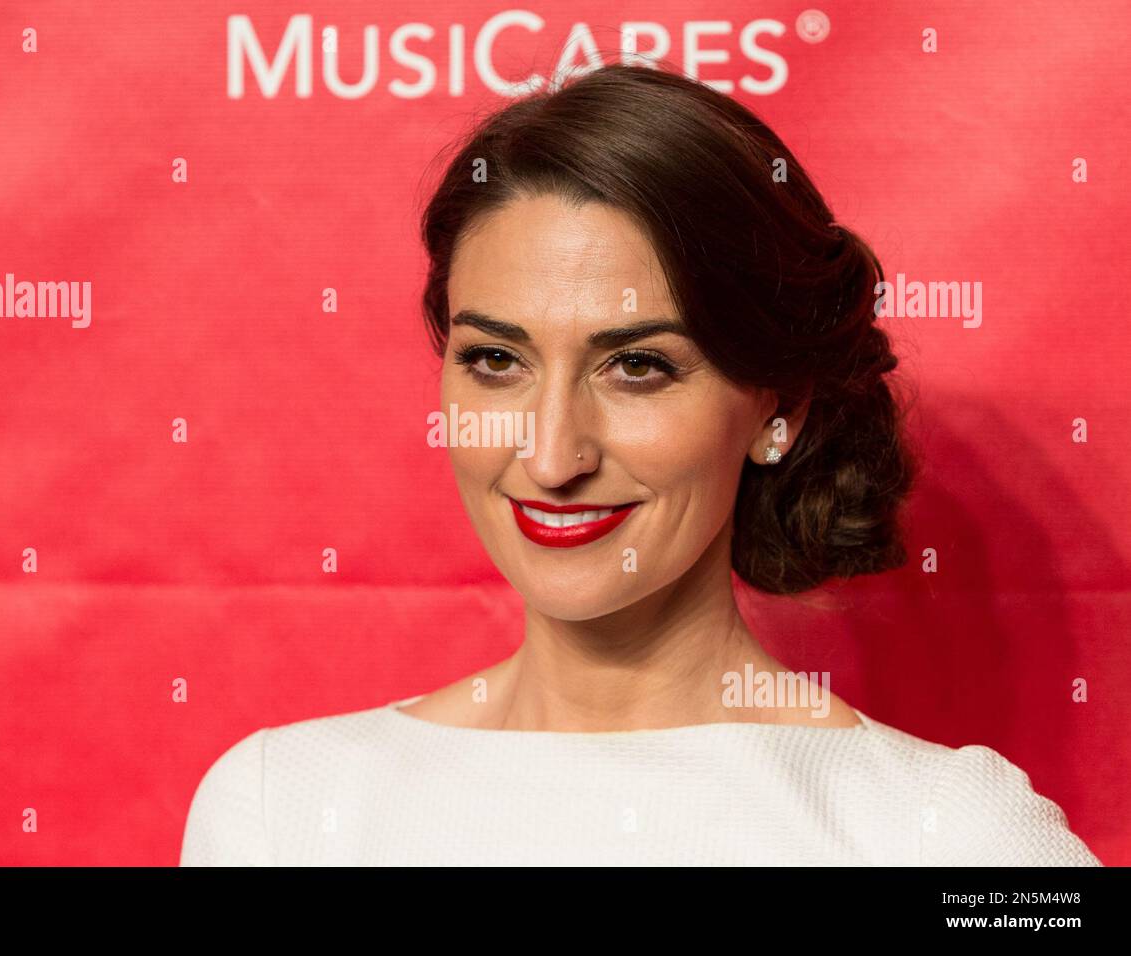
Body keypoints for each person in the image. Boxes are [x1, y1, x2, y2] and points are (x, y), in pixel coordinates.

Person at [180, 61, 1101, 866]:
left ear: (777, 408)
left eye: (637, 366)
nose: (551, 455)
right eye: (496, 360)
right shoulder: (283, 809)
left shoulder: (948, 839)